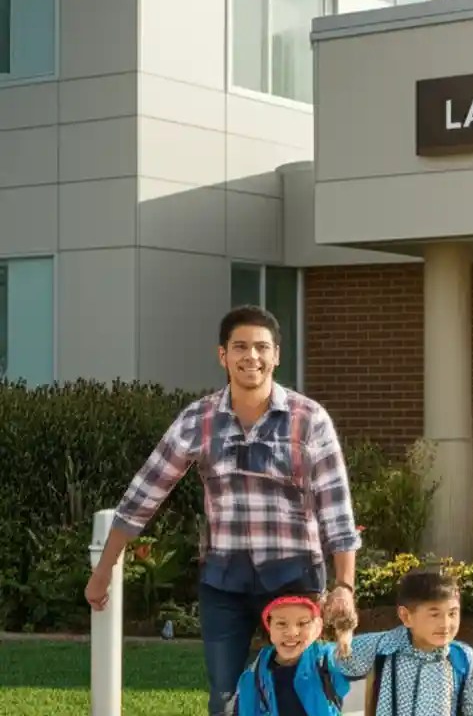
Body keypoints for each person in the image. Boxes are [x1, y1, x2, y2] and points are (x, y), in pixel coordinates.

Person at [84, 305, 362, 715]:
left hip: (294, 577)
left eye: (262, 347)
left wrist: (344, 586)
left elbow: (336, 508)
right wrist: (104, 568)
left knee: (301, 692)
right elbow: (144, 494)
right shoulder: (199, 420)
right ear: (223, 356)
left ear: (277, 355)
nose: (252, 356)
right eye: (241, 347)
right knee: (225, 698)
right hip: (224, 582)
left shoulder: (310, 420)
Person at [335, 570, 473, 715]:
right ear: (406, 616)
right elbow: (340, 662)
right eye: (434, 614)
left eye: (452, 613)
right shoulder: (384, 647)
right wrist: (343, 632)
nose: (445, 624)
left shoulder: (462, 657)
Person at [230, 594, 350, 715]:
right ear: (269, 628)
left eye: (302, 623)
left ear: (317, 627)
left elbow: (364, 652)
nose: (292, 633)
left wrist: (346, 634)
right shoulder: (255, 673)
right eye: (281, 623)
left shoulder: (326, 659)